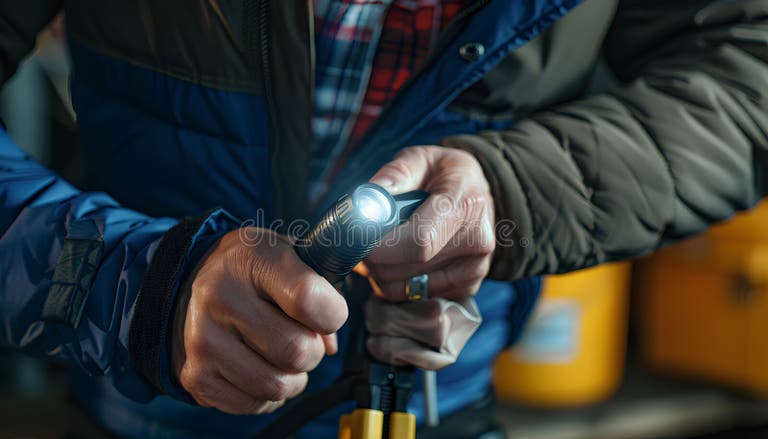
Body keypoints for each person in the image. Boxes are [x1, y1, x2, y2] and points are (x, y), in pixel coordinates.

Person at [1, 0, 766, 437]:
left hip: (434, 396)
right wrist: (134, 285)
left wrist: (517, 188)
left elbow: (749, 66)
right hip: (142, 400)